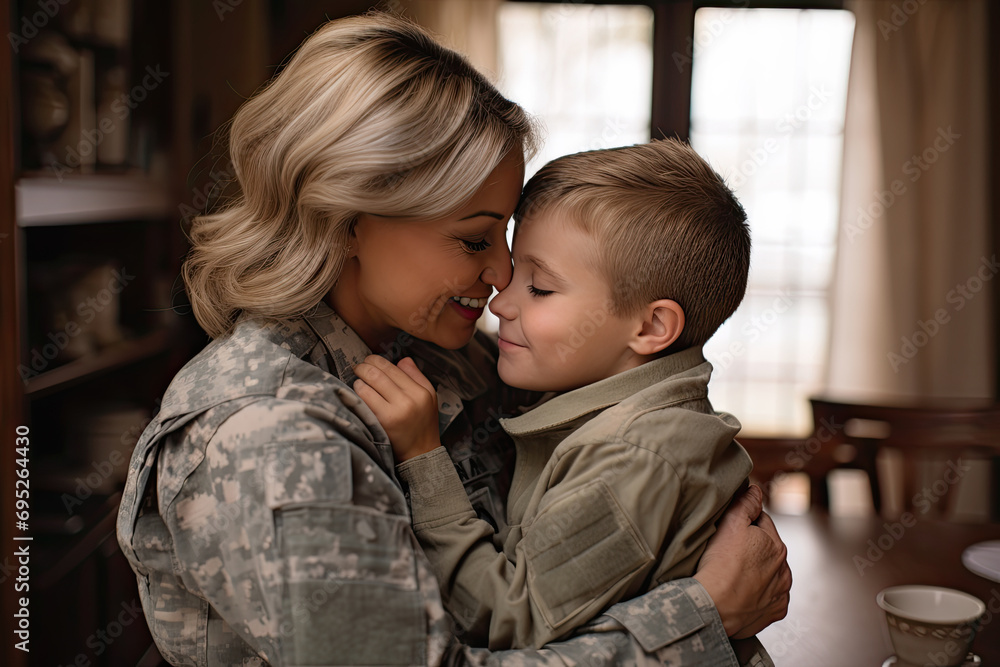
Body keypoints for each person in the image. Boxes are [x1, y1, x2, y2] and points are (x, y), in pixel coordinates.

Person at [116, 12, 791, 667]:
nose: (500, 278)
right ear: (347, 215)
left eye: (509, 241)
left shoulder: (455, 358)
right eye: (473, 238)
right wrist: (704, 618)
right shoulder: (268, 430)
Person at [354, 139, 767, 656]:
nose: (500, 300)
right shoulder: (613, 409)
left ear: (652, 326)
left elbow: (511, 617)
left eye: (541, 288)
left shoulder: (634, 456)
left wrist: (422, 458)